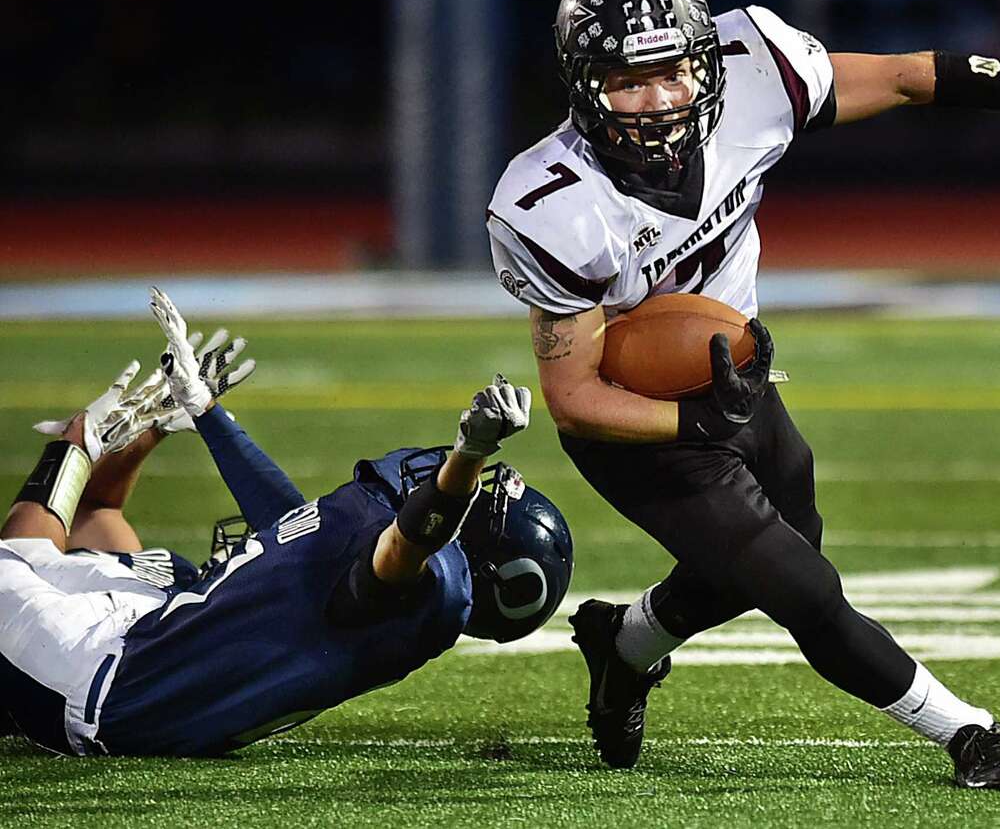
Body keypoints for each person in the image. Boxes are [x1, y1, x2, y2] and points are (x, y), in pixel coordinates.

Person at [486, 0, 1000, 790]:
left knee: (777, 552)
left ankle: (624, 644)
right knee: (803, 589)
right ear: (583, 82)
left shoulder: (755, 69)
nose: (658, 100)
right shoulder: (553, 202)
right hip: (638, 422)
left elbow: (911, 79)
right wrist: (694, 424)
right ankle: (968, 733)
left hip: (736, 376)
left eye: (671, 71)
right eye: (629, 79)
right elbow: (575, 397)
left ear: (705, 57)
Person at [0, 288, 573, 757]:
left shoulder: (425, 589)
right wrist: (199, 410)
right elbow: (287, 523)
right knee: (153, 569)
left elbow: (413, 540)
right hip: (149, 647)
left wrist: (77, 446)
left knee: (11, 565)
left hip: (107, 685)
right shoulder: (368, 589)